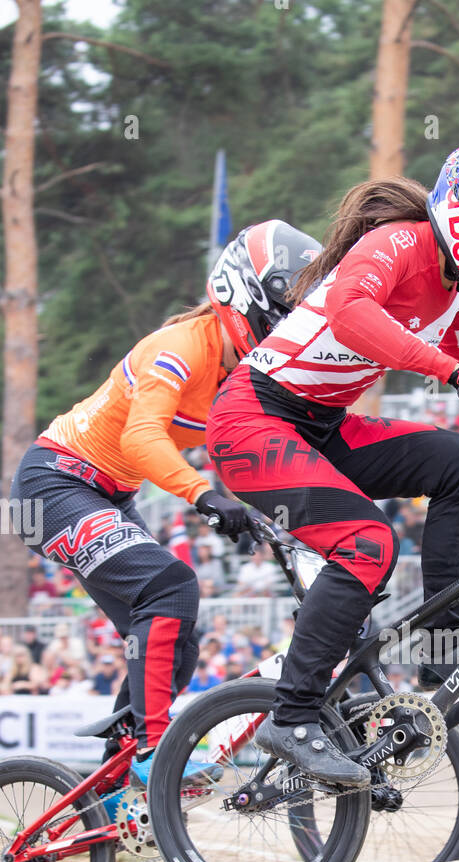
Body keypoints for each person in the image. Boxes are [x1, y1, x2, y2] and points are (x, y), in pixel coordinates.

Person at [206, 137, 459, 786]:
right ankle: (292, 715)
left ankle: (444, 657)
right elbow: (349, 311)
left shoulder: (452, 291)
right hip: (252, 424)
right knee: (365, 544)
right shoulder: (400, 242)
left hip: (320, 428)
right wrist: (444, 371)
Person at [10, 219, 320, 799]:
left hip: (106, 494)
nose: (289, 327)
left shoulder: (245, 375)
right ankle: (157, 754)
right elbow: (141, 438)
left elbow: (271, 452)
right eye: (284, 311)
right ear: (245, 296)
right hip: (53, 485)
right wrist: (205, 497)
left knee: (174, 642)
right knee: (170, 587)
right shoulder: (179, 348)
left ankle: (111, 793)